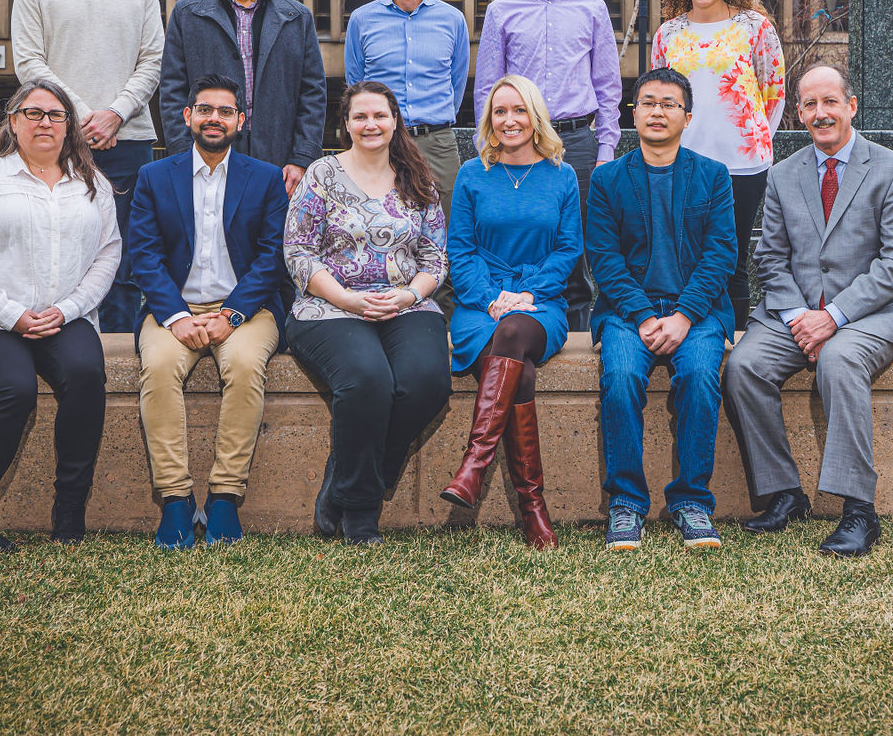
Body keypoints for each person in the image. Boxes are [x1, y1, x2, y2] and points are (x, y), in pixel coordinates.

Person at [723, 65, 893, 558]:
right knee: (743, 367)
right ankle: (785, 493)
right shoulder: (782, 174)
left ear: (851, 106)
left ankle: (860, 511)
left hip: (869, 316)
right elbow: (768, 257)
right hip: (792, 314)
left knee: (839, 360)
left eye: (829, 101)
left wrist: (833, 316)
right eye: (809, 105)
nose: (820, 113)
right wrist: (798, 317)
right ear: (798, 113)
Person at [0, 79, 121, 553]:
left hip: (67, 317)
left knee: (86, 375)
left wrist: (67, 309)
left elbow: (108, 256)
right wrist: (12, 314)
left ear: (69, 127)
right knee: (15, 391)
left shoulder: (92, 184)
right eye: (33, 113)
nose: (44, 122)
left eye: (55, 114)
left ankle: (68, 516)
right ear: (14, 122)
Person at [283, 81, 451, 546]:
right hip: (329, 305)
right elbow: (298, 252)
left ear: (395, 121)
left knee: (426, 381)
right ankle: (360, 511)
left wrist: (407, 297)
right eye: (360, 116)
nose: (370, 124)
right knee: (368, 379)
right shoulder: (321, 175)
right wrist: (348, 300)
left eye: (380, 115)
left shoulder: (418, 177)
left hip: (404, 302)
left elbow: (435, 257)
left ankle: (347, 479)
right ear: (346, 124)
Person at [128, 74, 291, 549]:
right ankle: (176, 500)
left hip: (247, 306)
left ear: (240, 120)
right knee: (157, 366)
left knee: (243, 365)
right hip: (173, 305)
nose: (214, 119)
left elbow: (271, 256)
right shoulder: (154, 177)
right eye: (205, 110)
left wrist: (232, 316)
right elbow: (144, 255)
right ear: (187, 117)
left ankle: (224, 497)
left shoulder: (264, 178)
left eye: (224, 111)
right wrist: (177, 316)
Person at [585, 68, 737, 551]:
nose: (657, 111)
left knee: (698, 376)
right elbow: (603, 259)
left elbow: (721, 255)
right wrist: (646, 316)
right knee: (623, 377)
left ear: (687, 117)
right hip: (629, 313)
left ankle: (692, 501)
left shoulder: (712, 176)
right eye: (647, 102)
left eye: (669, 104)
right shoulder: (608, 179)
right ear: (633, 113)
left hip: (699, 312)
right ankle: (627, 504)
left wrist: (685, 315)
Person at [11, 0, 163, 332]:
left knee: (124, 256)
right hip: (56, 140)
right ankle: (64, 346)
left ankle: (116, 350)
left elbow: (153, 61)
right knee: (59, 247)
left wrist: (115, 113)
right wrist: (80, 117)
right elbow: (29, 61)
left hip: (129, 142)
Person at [440, 74, 583, 550]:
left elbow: (568, 250)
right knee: (515, 365)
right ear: (488, 119)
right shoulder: (470, 175)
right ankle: (533, 508)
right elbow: (459, 251)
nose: (509, 120)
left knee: (516, 332)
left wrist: (527, 294)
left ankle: (473, 467)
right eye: (500, 112)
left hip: (540, 304)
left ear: (535, 115)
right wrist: (489, 297)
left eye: (519, 110)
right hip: (480, 305)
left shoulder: (561, 175)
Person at [474, 0, 620, 328]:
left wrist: (606, 151)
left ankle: (578, 341)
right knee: (528, 241)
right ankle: (528, 328)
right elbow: (487, 88)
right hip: (519, 142)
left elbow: (609, 88)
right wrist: (489, 148)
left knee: (581, 251)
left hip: (577, 143)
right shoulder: (502, 10)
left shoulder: (592, 9)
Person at [651, 0, 784, 330]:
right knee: (687, 256)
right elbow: (660, 97)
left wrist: (757, 138)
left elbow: (773, 91)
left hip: (743, 163)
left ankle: (735, 348)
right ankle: (694, 338)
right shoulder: (667, 35)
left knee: (732, 256)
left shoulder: (755, 26)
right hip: (684, 163)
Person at [159, 0, 326, 198]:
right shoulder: (188, 14)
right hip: (207, 157)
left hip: (278, 163)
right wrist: (183, 154)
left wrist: (302, 158)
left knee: (271, 241)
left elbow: (313, 94)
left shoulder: (296, 18)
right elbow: (172, 90)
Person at [343, 0, 470, 216]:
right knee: (378, 225)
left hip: (437, 144)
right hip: (381, 144)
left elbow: (457, 83)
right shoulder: (362, 20)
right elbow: (356, 86)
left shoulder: (453, 20)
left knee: (449, 228)